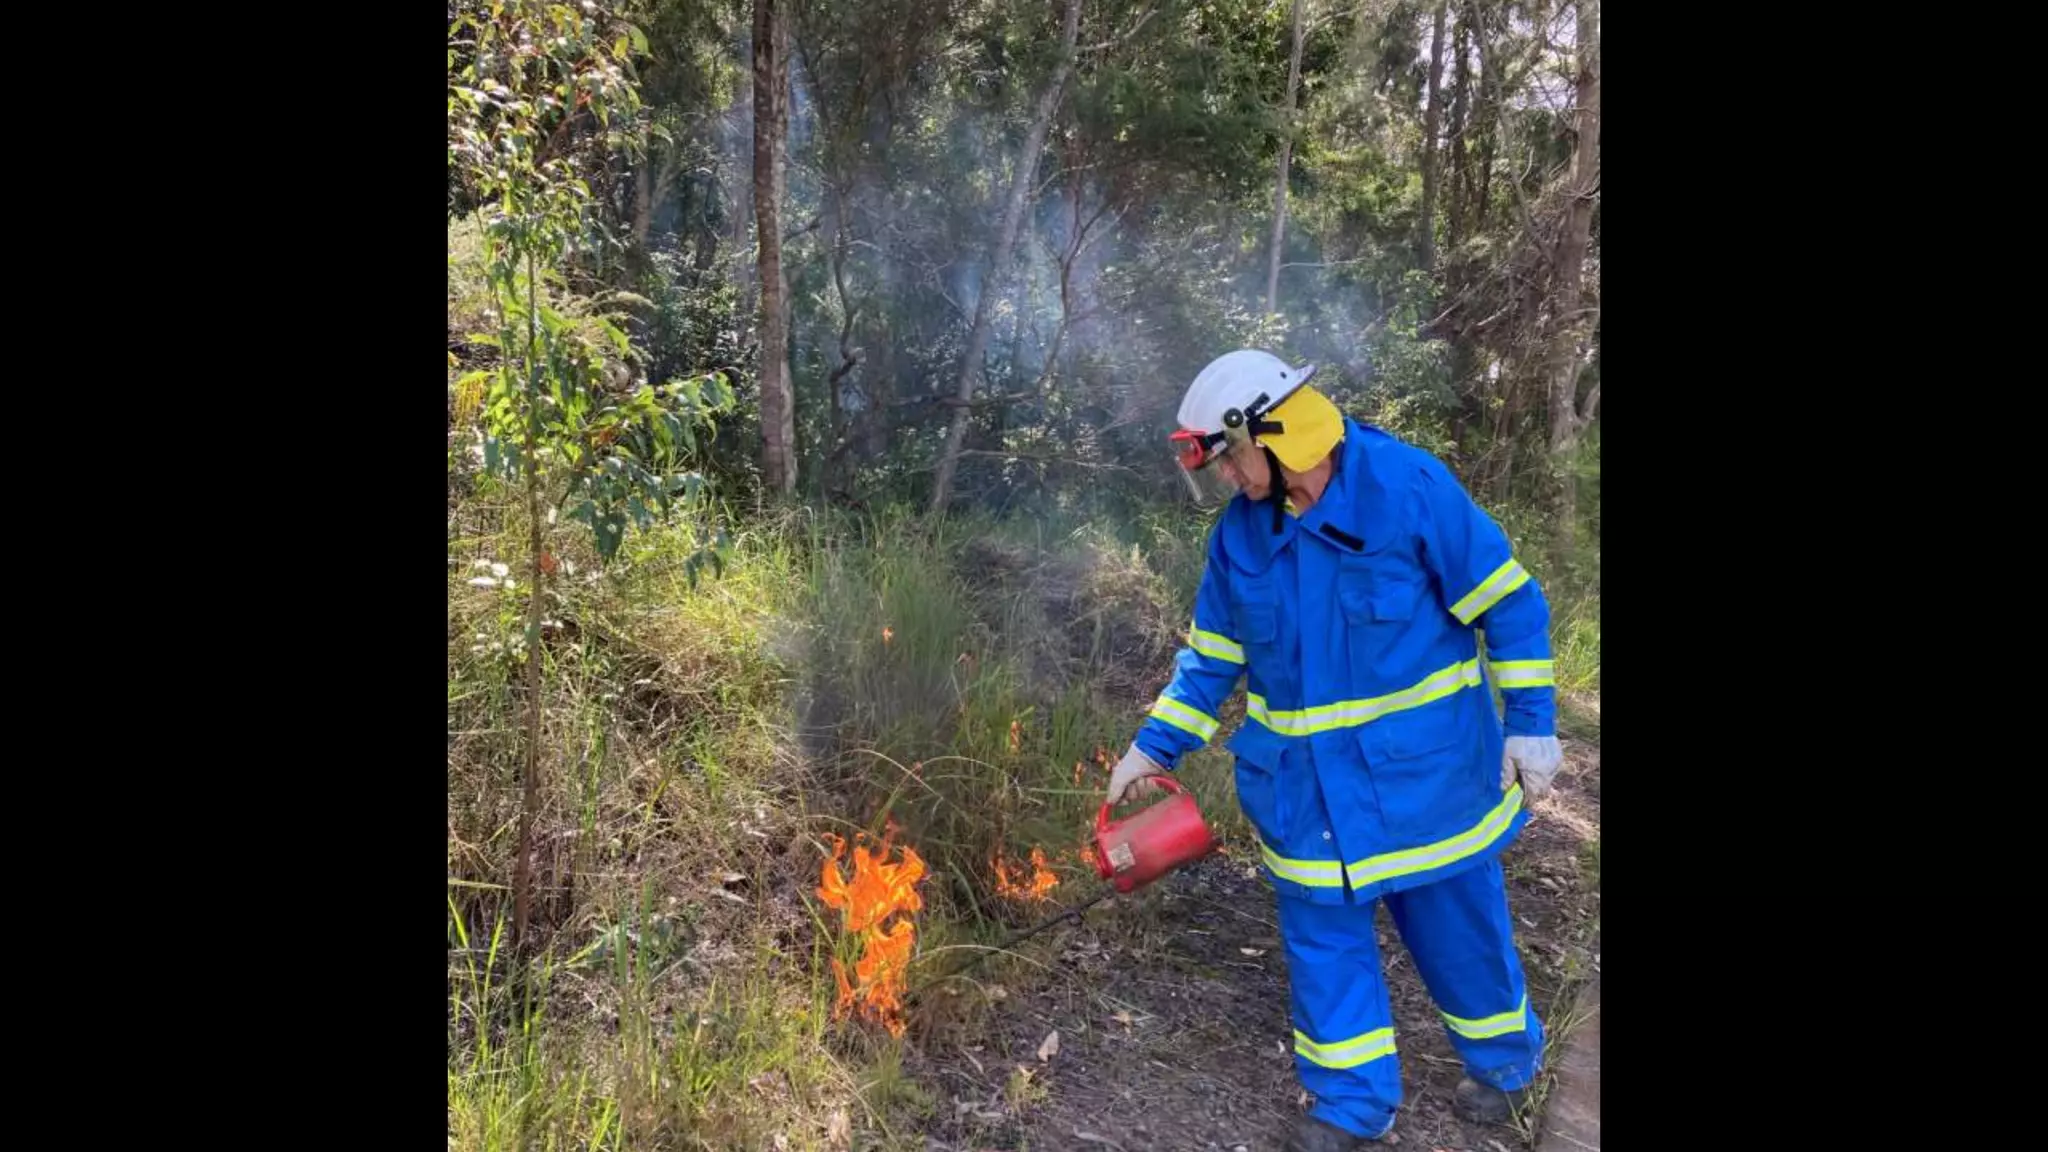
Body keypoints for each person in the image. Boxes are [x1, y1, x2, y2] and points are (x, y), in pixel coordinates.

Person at [1106, 349, 1565, 1151]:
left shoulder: (1406, 487)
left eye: (1229, 459)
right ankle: (1351, 1106)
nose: (1227, 479)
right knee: (1323, 945)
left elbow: (1510, 603)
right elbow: (1210, 660)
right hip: (1304, 795)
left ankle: (1504, 1063)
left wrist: (1531, 721)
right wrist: (1153, 749)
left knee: (1459, 932)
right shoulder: (1239, 537)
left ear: (1271, 434)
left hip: (1427, 785)